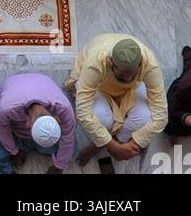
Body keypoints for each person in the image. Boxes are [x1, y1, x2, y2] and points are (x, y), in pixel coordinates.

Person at [69, 34, 167, 165]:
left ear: (140, 65)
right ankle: (106, 145)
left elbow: (161, 117)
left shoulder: (150, 65)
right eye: (121, 76)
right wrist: (114, 147)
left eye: (131, 75)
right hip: (97, 85)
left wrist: (136, 141)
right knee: (102, 119)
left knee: (144, 118)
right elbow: (83, 113)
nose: (127, 79)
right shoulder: (95, 62)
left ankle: (106, 144)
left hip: (130, 89)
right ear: (111, 63)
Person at [0, 74, 77, 176]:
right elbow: (2, 129)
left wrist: (59, 166)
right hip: (4, 121)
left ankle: (25, 145)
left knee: (68, 153)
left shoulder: (64, 109)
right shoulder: (7, 108)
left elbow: (68, 138)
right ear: (28, 124)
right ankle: (19, 150)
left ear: (56, 119)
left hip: (34, 91)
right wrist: (14, 151)